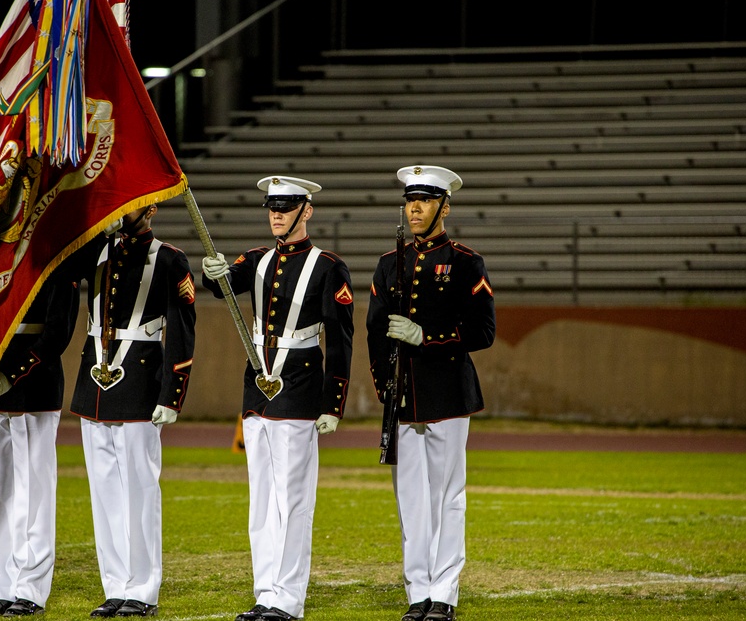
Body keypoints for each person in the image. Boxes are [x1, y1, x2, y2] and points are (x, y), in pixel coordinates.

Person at [201, 176, 355, 621]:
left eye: (286, 207)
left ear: (306, 211)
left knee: (292, 500)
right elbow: (224, 286)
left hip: (301, 386)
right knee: (262, 500)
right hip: (258, 387)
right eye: (271, 206)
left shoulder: (328, 267)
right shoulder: (257, 258)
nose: (276, 214)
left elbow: (340, 341)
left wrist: (333, 403)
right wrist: (216, 274)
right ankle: (265, 592)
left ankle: (287, 599)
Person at [366, 166, 496, 621]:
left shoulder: (465, 262)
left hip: (447, 395)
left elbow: (483, 331)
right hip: (405, 399)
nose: (415, 208)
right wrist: (385, 382)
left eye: (424, 200)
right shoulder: (389, 263)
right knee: (411, 501)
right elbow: (374, 330)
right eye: (410, 200)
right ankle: (418, 591)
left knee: (447, 497)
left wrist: (428, 336)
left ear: (445, 206)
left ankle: (444, 594)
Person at [66, 204, 196, 618]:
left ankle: (143, 588)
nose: (120, 208)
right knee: (104, 495)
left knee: (140, 491)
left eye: (131, 201)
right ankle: (115, 585)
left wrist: (172, 395)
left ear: (151, 208)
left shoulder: (170, 259)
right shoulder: (96, 251)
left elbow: (182, 329)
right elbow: (62, 264)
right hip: (95, 382)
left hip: (140, 382)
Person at [0, 272, 81, 617]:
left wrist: (13, 374)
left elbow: (57, 333)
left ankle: (31, 587)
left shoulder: (54, 264)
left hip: (35, 382)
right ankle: (4, 585)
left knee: (35, 490)